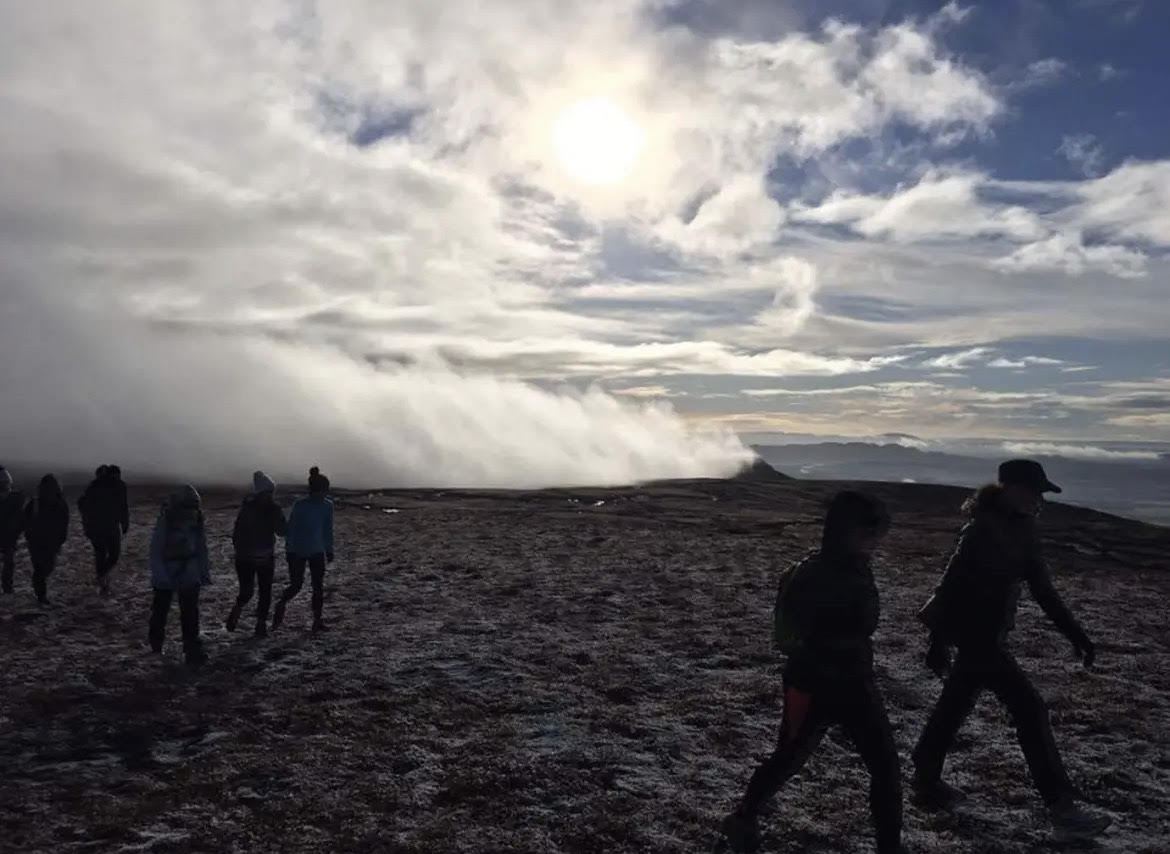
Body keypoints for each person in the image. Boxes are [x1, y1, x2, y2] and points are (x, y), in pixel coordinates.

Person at [911, 459, 1110, 841]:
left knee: (954, 705)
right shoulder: (981, 531)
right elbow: (952, 584)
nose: (1039, 501)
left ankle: (925, 773)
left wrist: (1076, 635)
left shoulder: (1023, 530)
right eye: (1035, 492)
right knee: (1029, 709)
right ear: (1012, 489)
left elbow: (1042, 590)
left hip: (989, 638)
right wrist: (936, 639)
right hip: (979, 638)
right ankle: (1061, 808)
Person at [721, 491, 906, 854]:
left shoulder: (855, 566)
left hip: (852, 681)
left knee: (885, 768)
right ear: (845, 531)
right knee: (789, 758)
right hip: (814, 683)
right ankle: (743, 818)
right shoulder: (816, 575)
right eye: (869, 533)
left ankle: (890, 847)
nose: (875, 542)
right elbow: (811, 634)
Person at [148, 484, 211, 668]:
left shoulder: (196, 522)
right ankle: (156, 642)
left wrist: (203, 571)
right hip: (168, 570)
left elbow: (201, 547)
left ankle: (192, 649)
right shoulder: (166, 522)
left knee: (190, 613)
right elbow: (156, 550)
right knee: (161, 610)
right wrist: (161, 575)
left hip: (189, 571)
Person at [272, 466, 334, 633]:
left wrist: (329, 549)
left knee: (318, 586)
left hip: (316, 550)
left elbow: (327, 529)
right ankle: (281, 604)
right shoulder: (301, 505)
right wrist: (290, 547)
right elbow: (292, 528)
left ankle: (317, 620)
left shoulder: (327, 506)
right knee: (297, 584)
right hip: (297, 550)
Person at [226, 471, 287, 638]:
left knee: (249, 591)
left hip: (245, 557)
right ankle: (259, 624)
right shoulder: (274, 509)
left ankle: (239, 610)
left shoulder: (246, 509)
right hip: (264, 557)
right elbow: (282, 531)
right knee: (264, 591)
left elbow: (237, 533)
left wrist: (240, 550)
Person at [78, 464, 130, 595]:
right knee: (105, 553)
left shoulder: (117, 487)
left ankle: (102, 576)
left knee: (111, 554)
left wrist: (124, 523)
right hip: (98, 526)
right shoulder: (96, 487)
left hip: (108, 525)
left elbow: (123, 506)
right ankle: (102, 580)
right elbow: (85, 505)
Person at [23, 474, 70, 606]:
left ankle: (40, 594)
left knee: (43, 568)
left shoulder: (55, 503)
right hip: (42, 541)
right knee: (42, 569)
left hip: (43, 542)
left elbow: (64, 522)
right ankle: (41, 596)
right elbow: (64, 522)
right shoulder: (41, 503)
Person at [1, 467, 26, 595]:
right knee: (8, 563)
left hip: (8, 537)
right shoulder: (15, 501)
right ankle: (7, 588)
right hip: (9, 537)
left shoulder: (14, 502)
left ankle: (7, 588)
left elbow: (20, 521)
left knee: (8, 563)